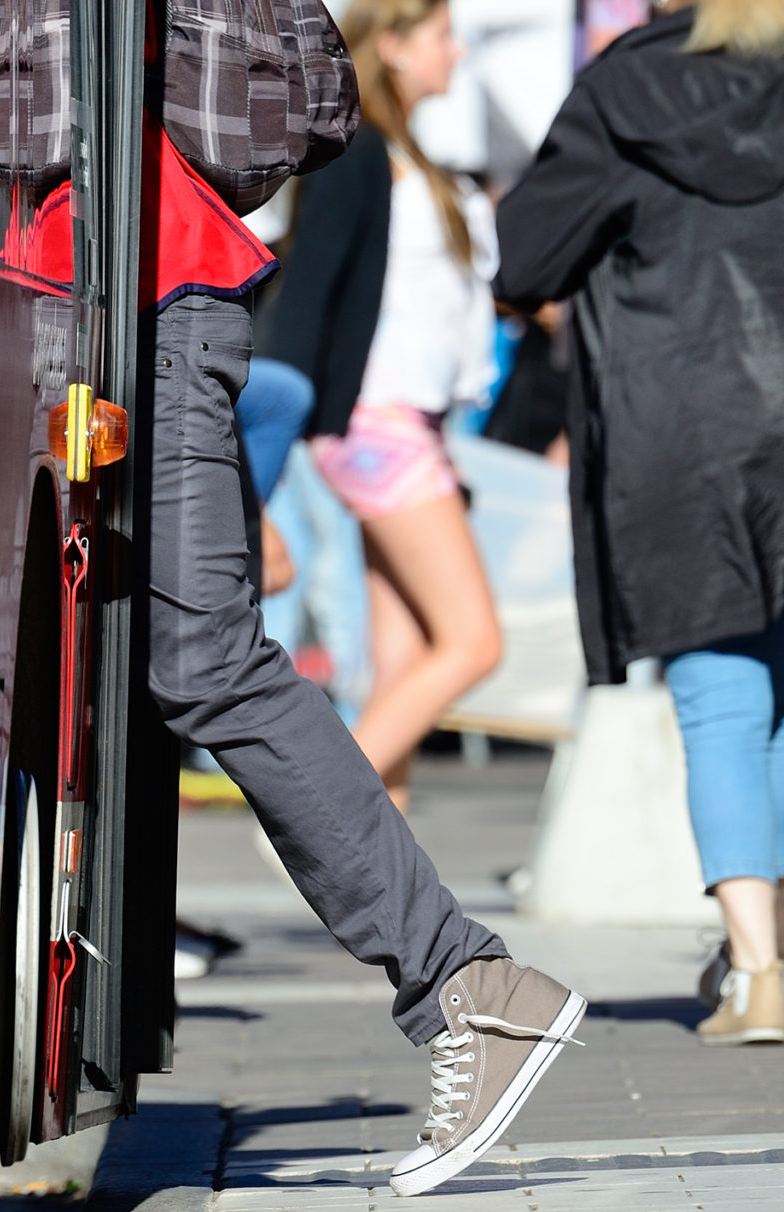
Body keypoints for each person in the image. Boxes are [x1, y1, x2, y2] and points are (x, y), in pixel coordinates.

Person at [0, 0, 583, 1192]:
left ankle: (468, 984)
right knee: (41, 657)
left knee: (189, 662)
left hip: (130, 301)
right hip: (129, 296)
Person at [497, 0, 784, 1045]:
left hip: (675, 430)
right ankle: (755, 942)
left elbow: (526, 262)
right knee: (772, 705)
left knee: (718, 702)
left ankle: (756, 968)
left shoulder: (621, 87)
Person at [280, 0, 506, 815]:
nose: (457, 51)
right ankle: (318, 813)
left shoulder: (408, 153)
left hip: (413, 422)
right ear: (396, 48)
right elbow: (308, 288)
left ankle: (385, 867)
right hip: (380, 420)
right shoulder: (358, 152)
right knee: (473, 641)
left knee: (405, 660)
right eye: (442, 35)